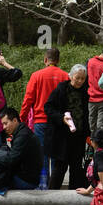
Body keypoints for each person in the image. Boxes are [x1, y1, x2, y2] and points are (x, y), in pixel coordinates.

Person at [19, 47, 70, 183]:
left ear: (45, 59)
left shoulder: (36, 75)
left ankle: (43, 185)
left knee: (42, 155)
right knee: (56, 154)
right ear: (58, 60)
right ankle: (55, 185)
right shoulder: (65, 76)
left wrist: (22, 119)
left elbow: (28, 100)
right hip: (59, 121)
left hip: (40, 121)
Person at [44, 64, 91, 190]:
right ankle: (52, 196)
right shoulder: (61, 89)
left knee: (76, 168)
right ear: (70, 76)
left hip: (79, 136)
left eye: (83, 78)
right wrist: (61, 118)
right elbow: (48, 107)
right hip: (62, 136)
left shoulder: (86, 91)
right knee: (60, 167)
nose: (80, 81)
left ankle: (74, 197)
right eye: (77, 78)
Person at [0, 107, 44, 191]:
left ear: (15, 121)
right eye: (2, 124)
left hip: (27, 181)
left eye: (6, 123)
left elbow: (11, 160)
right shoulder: (22, 132)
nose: (4, 127)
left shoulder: (23, 136)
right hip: (26, 177)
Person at [86, 49, 103, 135]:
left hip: (91, 99)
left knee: (91, 127)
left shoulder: (90, 61)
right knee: (102, 128)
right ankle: (100, 148)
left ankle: (91, 146)